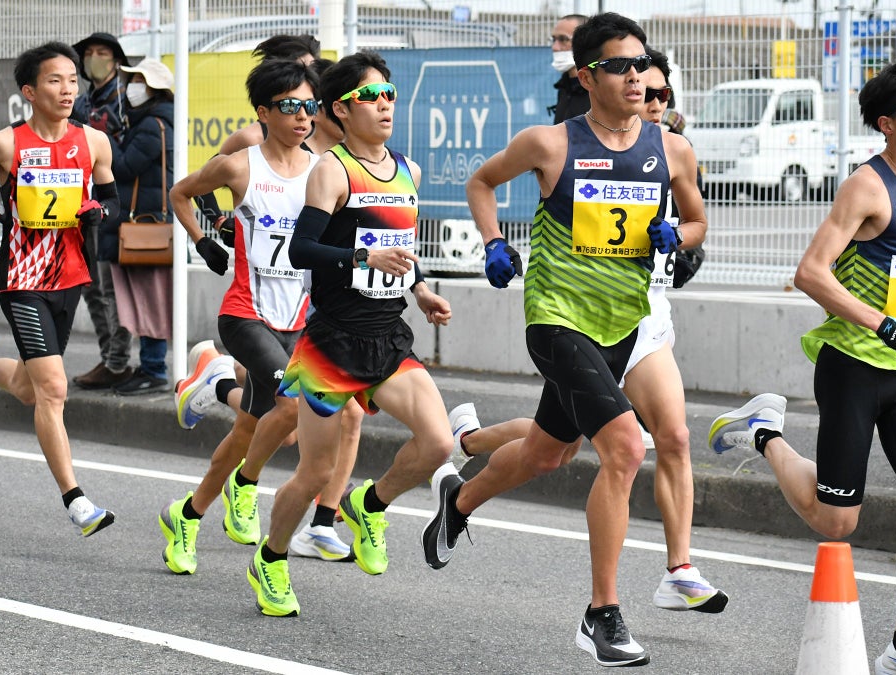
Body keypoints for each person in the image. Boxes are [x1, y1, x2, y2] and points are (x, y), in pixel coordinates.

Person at [422, 14, 706, 667]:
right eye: (618, 66)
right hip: (557, 318)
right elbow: (481, 182)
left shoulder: (672, 150)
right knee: (626, 446)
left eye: (640, 65)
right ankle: (600, 613)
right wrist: (494, 243)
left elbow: (695, 220)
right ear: (586, 75)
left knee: (549, 453)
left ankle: (457, 500)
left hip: (624, 323)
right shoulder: (549, 144)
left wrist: (676, 237)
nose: (634, 76)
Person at [707, 58, 896, 675]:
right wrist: (880, 324)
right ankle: (763, 433)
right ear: (889, 124)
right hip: (853, 367)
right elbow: (810, 272)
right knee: (837, 520)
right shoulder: (867, 185)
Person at [243, 51, 453, 617]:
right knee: (313, 471)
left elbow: (399, 248)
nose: (383, 105)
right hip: (333, 342)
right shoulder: (331, 170)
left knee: (438, 443)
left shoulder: (405, 169)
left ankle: (370, 502)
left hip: (386, 335)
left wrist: (421, 288)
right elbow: (302, 249)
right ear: (341, 107)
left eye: (389, 95)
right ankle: (272, 556)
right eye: (370, 97)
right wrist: (365, 252)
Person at [161, 58, 358, 575]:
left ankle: (188, 514)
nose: (302, 118)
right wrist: (206, 242)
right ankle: (245, 486)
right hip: (245, 314)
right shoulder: (241, 165)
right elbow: (181, 194)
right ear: (263, 112)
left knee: (252, 427)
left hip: (299, 317)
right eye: (290, 107)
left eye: (310, 108)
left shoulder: (326, 169)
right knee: (290, 410)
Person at [0, 41, 121, 537]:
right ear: (29, 91)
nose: (67, 90)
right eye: (55, 81)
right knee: (54, 389)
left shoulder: (93, 142)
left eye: (72, 81)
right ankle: (76, 500)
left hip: (71, 276)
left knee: (29, 388)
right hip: (22, 278)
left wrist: (98, 215)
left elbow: (110, 199)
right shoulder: (5, 143)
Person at [194, 34, 322, 246]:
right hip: (257, 268)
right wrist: (220, 223)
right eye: (302, 68)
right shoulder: (251, 137)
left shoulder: (323, 127)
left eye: (312, 69)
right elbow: (199, 187)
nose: (309, 76)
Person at [101, 58, 175, 395]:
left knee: (149, 301)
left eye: (138, 81)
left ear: (153, 89)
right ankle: (150, 366)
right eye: (132, 79)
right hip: (146, 225)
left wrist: (105, 140)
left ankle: (154, 369)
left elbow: (125, 166)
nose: (132, 87)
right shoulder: (152, 122)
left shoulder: (152, 125)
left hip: (146, 228)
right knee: (146, 301)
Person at [70, 31, 133, 392]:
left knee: (112, 288)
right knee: (91, 287)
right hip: (81, 205)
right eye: (89, 53)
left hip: (112, 205)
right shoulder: (82, 101)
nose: (95, 58)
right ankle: (108, 356)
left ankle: (118, 361)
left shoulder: (126, 100)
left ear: (116, 58)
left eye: (103, 53)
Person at [548, 14, 589, 125]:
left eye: (563, 39)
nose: (555, 47)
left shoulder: (599, 89)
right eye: (554, 39)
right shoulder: (564, 87)